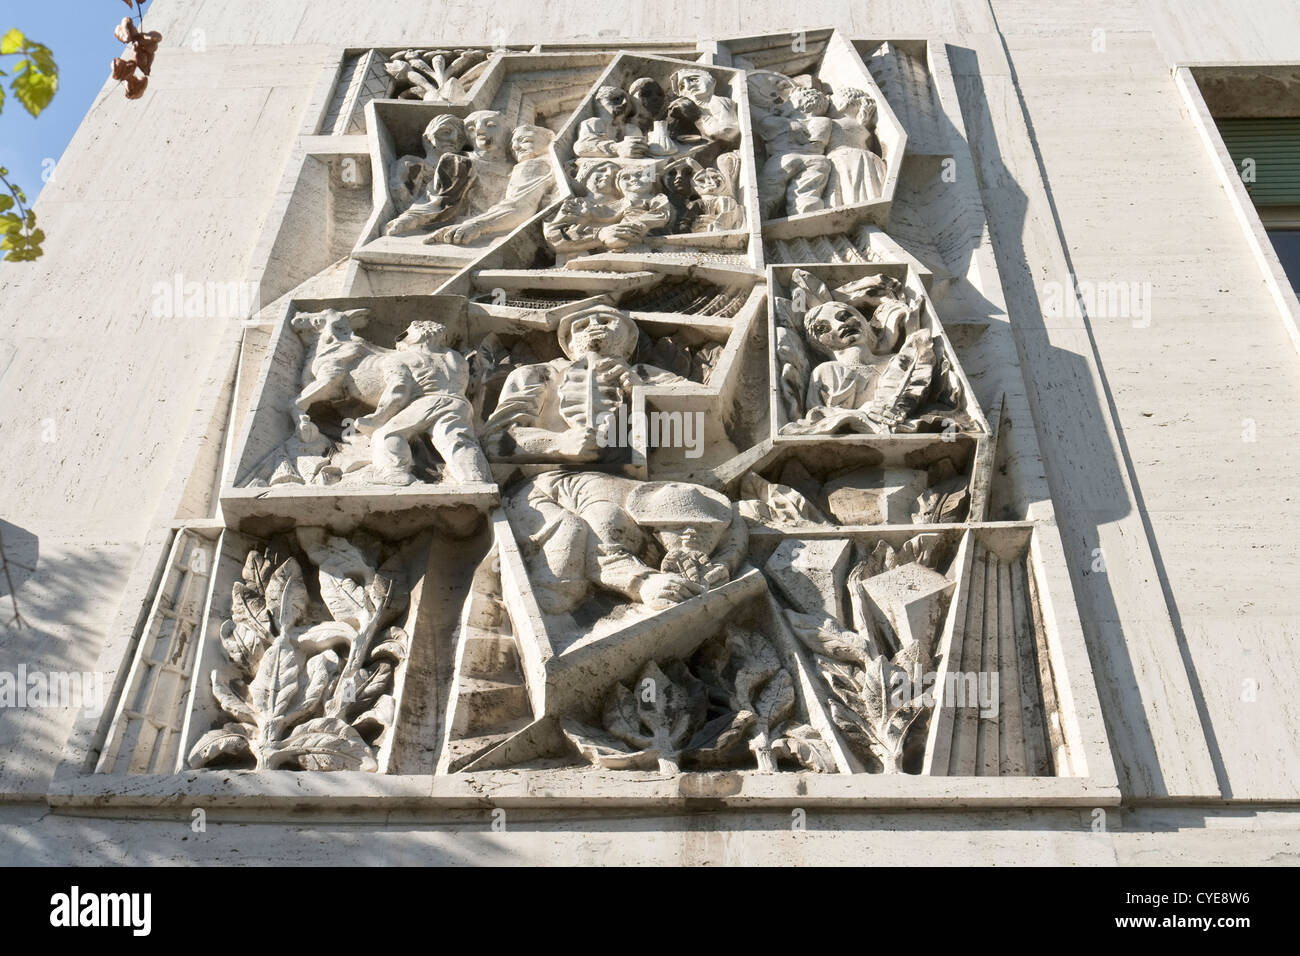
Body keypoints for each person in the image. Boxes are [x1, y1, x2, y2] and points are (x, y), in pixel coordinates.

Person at [502, 471, 747, 615]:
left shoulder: (703, 506)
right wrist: (645, 583)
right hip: (537, 498)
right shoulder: (609, 515)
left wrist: (725, 563)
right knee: (562, 584)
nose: (691, 534)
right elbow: (602, 555)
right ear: (657, 526)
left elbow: (736, 525)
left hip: (603, 504)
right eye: (680, 528)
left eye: (701, 528)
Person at [481, 304, 686, 463]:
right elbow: (494, 441)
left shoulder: (649, 376)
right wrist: (559, 443)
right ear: (568, 345)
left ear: (630, 340)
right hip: (551, 480)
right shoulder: (537, 374)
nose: (594, 326)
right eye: (582, 326)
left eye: (606, 321)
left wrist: (643, 393)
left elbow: (708, 419)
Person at [427, 124, 555, 244]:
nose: (515, 147)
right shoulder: (552, 163)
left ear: (548, 141)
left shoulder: (533, 164)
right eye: (512, 145)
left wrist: (476, 225)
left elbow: (519, 207)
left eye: (526, 140)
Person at [382, 114, 473, 236]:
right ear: (427, 138)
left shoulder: (464, 169)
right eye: (445, 132)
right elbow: (402, 198)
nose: (454, 139)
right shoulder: (411, 165)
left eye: (461, 137)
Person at [756, 86, 834, 219]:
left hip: (784, 158)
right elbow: (817, 143)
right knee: (808, 196)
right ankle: (808, 222)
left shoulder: (776, 121)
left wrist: (775, 111)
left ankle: (763, 218)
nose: (786, 104)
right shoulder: (824, 121)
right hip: (818, 160)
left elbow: (757, 118)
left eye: (789, 101)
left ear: (798, 104)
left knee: (766, 195)